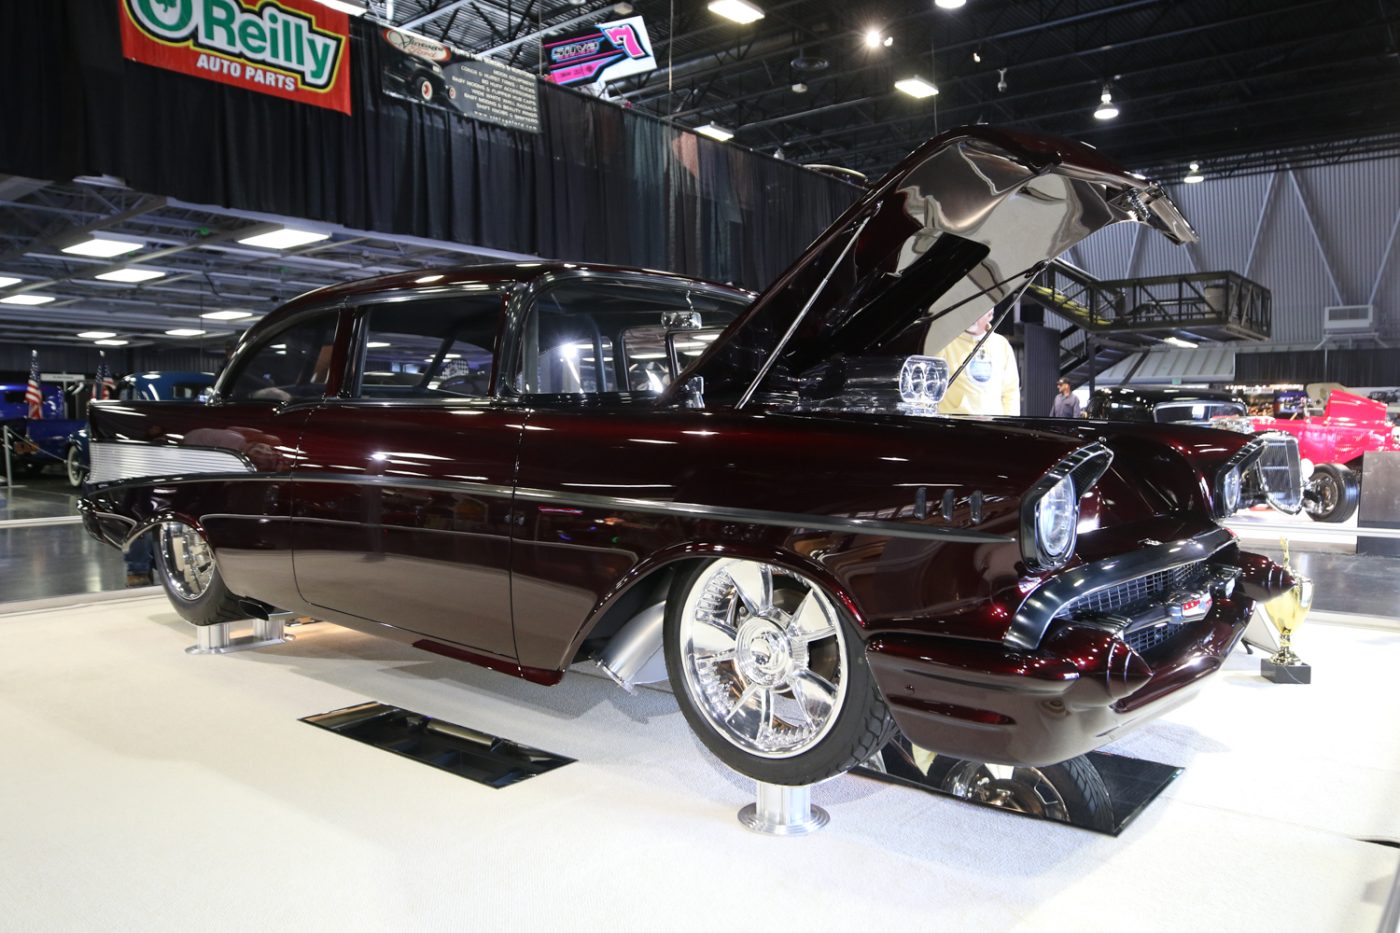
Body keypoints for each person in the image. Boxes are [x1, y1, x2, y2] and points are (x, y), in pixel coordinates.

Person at [928, 308, 1021, 416]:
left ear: (990, 315)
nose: (971, 315)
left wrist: (1009, 424)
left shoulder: (1001, 344)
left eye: (977, 311)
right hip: (954, 425)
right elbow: (929, 386)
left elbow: (1010, 391)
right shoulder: (945, 342)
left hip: (992, 426)